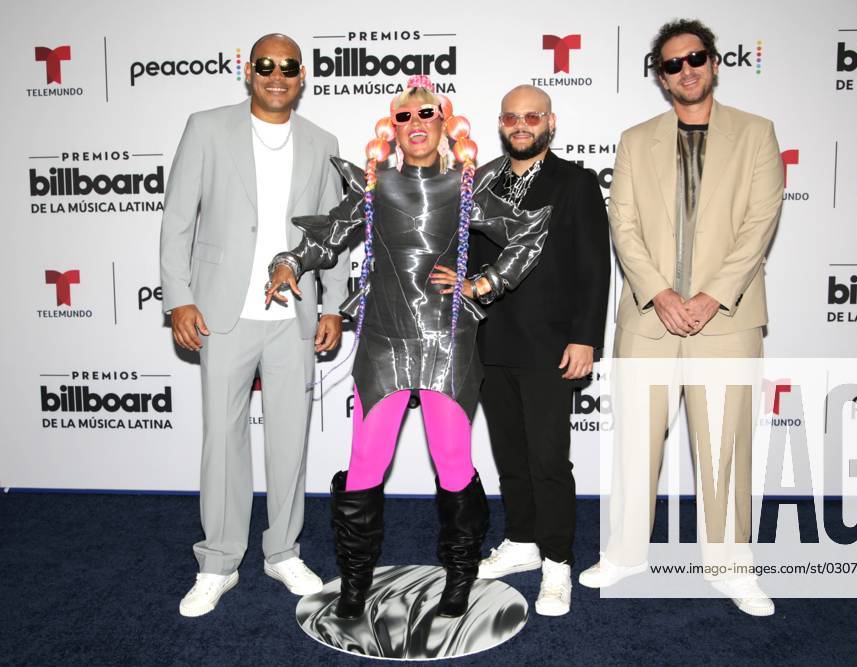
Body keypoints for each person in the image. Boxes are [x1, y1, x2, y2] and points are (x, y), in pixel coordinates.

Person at [266, 75, 550, 619]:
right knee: (365, 466)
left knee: (452, 465)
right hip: (381, 343)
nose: (416, 124)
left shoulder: (466, 188)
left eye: (426, 115)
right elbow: (324, 239)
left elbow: (529, 233)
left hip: (448, 343)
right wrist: (289, 262)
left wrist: (482, 282)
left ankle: (459, 579)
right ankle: (354, 584)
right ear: (391, 129)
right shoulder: (373, 189)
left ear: (445, 123)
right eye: (404, 117)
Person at [578, 19, 784, 617]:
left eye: (695, 58)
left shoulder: (756, 133)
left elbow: (759, 225)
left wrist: (712, 296)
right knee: (637, 442)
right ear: (661, 77)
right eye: (672, 64)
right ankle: (624, 552)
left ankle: (730, 565)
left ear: (714, 63)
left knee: (725, 444)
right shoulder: (635, 139)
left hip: (729, 318)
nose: (686, 70)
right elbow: (625, 225)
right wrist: (660, 293)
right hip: (649, 317)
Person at [160, 33, 349, 618]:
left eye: (288, 67)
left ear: (302, 75)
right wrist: (179, 299)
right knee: (223, 439)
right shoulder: (206, 126)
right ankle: (218, 561)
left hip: (293, 314)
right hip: (221, 313)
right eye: (265, 65)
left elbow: (331, 236)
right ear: (248, 71)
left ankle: (282, 552)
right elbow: (177, 221)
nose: (276, 75)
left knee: (290, 441)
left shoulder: (323, 142)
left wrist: (334, 305)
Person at [460, 85, 609, 617]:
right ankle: (522, 541)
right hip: (490, 340)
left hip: (550, 344)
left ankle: (557, 563)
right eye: (511, 118)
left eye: (531, 117)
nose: (520, 125)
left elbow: (593, 267)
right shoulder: (479, 182)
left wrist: (586, 336)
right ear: (500, 123)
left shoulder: (576, 182)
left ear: (550, 121)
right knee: (511, 456)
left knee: (549, 461)